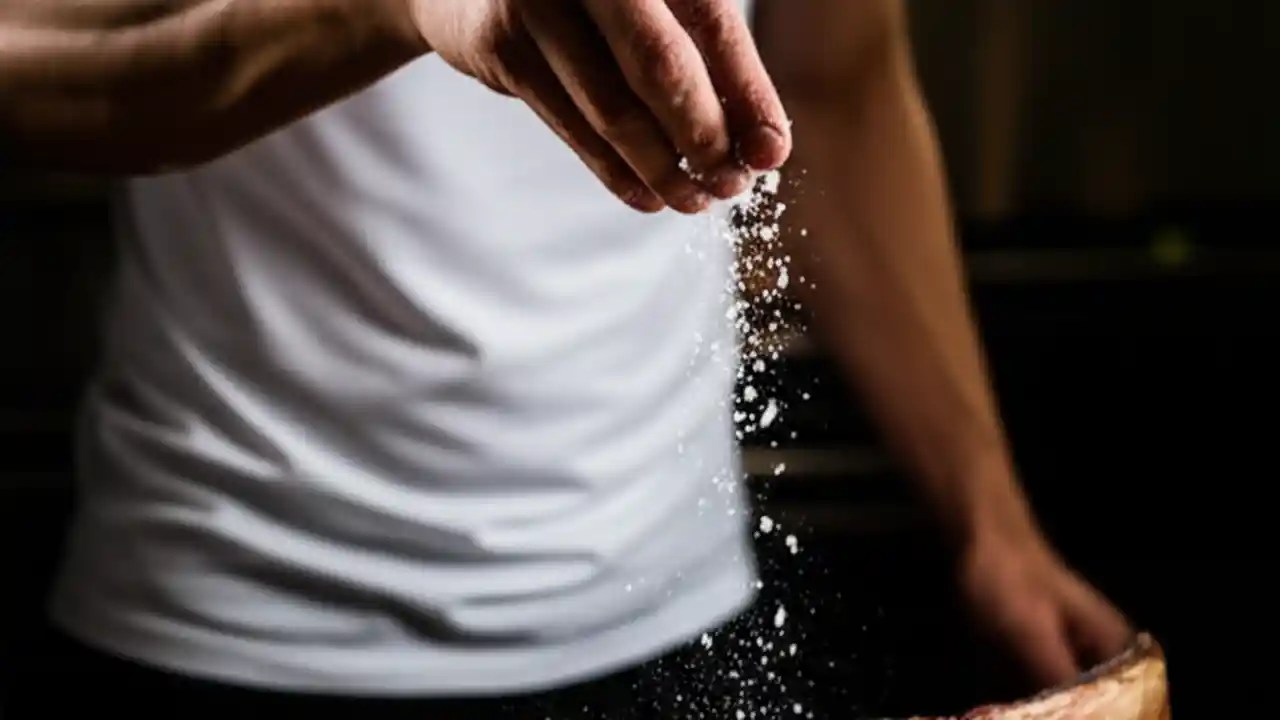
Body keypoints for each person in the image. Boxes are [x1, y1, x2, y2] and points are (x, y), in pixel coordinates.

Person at [1, 0, 1132, 716]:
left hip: (668, 614)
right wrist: (386, 12)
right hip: (228, 618)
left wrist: (995, 527)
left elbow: (836, 89)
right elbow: (32, 62)